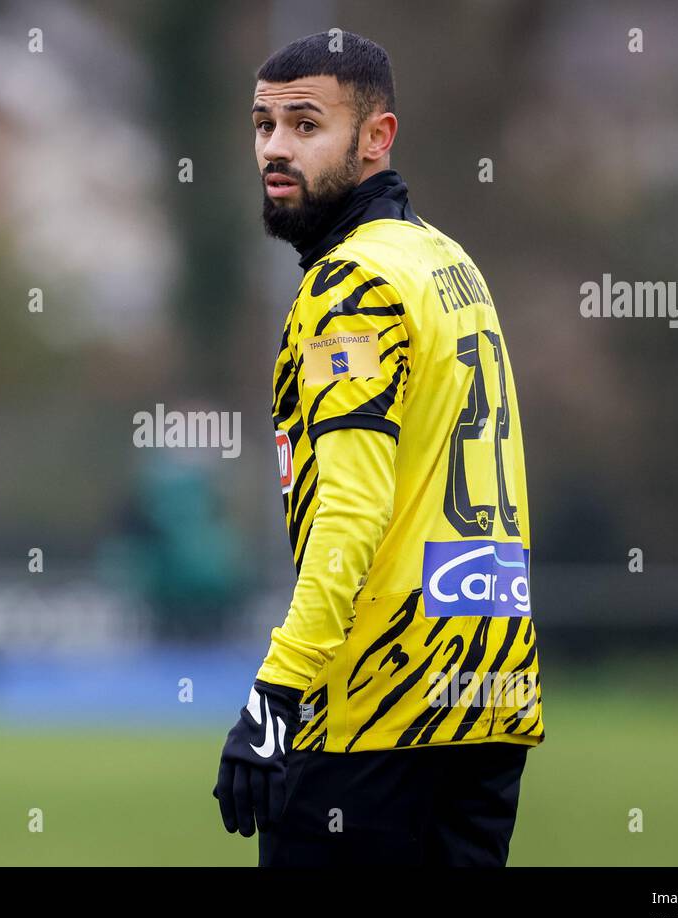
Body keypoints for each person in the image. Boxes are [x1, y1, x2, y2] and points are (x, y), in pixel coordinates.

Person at [212, 30, 545, 866]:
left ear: (376, 138)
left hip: (377, 709)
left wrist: (277, 689)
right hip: (487, 694)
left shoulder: (352, 285)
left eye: (304, 124)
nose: (274, 148)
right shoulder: (448, 262)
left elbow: (353, 509)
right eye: (262, 125)